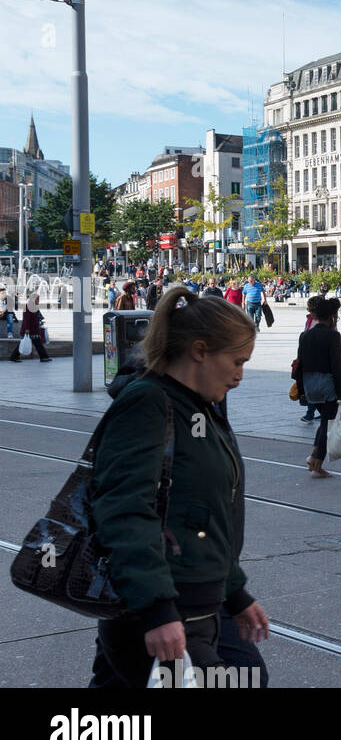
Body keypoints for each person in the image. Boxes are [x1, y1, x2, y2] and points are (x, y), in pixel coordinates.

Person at [88, 286, 269, 687]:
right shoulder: (149, 404)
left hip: (199, 602)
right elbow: (124, 510)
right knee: (241, 679)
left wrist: (235, 592)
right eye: (236, 362)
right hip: (162, 604)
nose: (240, 377)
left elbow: (202, 514)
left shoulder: (202, 407)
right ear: (200, 350)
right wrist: (156, 610)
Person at [297, 297, 341, 477]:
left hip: (309, 384)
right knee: (329, 424)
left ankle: (314, 456)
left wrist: (301, 391)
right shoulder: (333, 335)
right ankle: (316, 463)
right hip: (327, 385)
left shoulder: (305, 335)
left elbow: (299, 364)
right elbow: (337, 366)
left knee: (325, 422)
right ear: (332, 317)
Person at [8, 292, 51, 363]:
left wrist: (40, 323)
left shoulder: (34, 306)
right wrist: (27, 329)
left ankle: (14, 357)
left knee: (29, 343)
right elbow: (26, 319)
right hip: (30, 330)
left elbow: (37, 317)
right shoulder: (28, 306)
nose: (39, 301)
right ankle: (44, 357)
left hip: (33, 329)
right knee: (37, 343)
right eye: (37, 299)